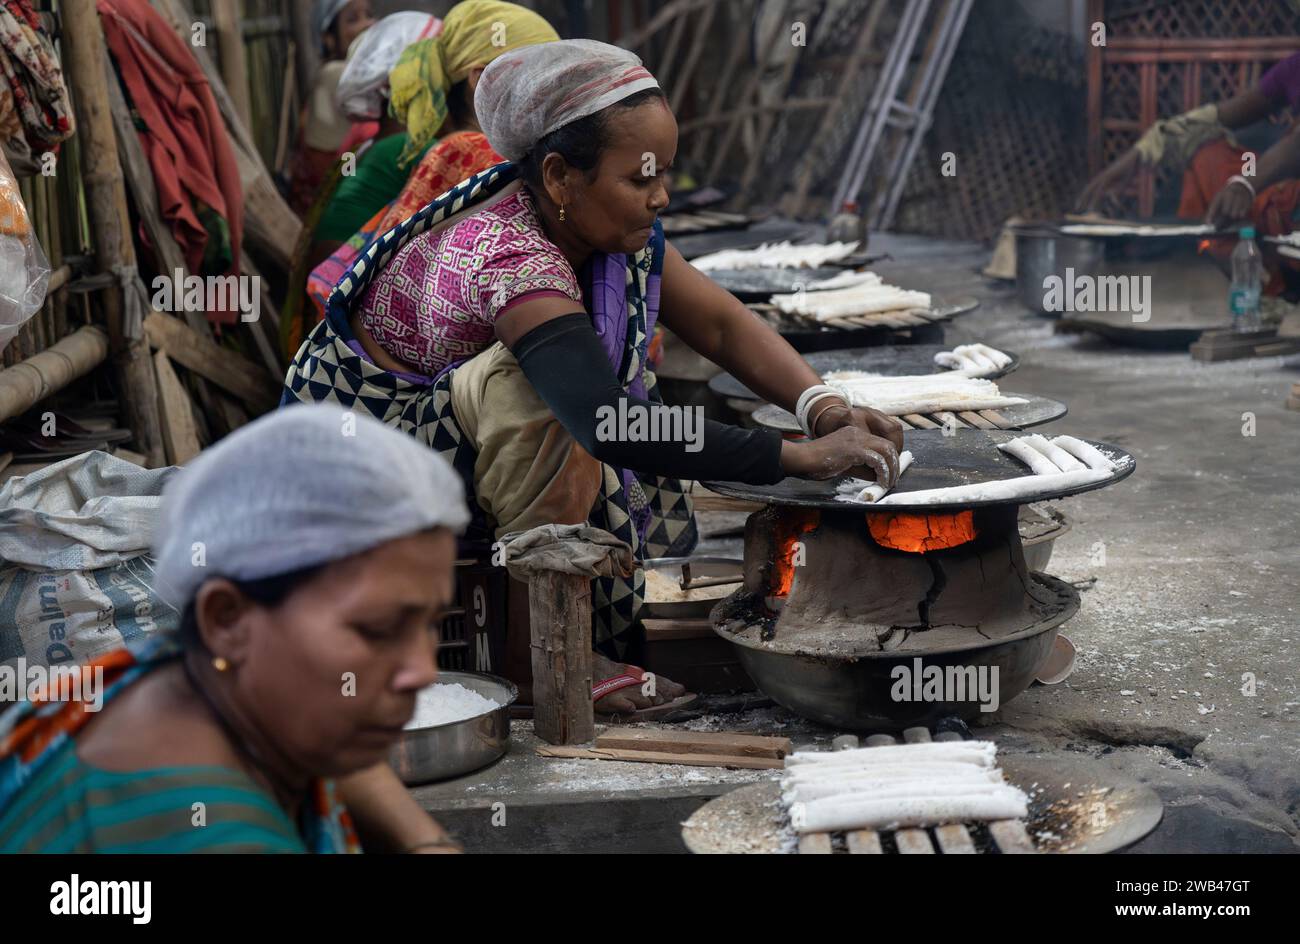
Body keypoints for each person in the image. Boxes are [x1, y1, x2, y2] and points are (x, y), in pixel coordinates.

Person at [283, 40, 902, 717]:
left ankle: (567, 627)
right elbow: (608, 423)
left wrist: (822, 408)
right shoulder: (510, 258)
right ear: (558, 176)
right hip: (365, 462)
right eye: (640, 179)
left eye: (665, 173)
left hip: (451, 446)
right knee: (539, 395)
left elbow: (721, 326)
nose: (661, 197)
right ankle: (538, 656)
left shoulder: (600, 234)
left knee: (570, 388)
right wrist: (794, 457)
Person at [0, 405, 468, 853]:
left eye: (431, 624)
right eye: (378, 628)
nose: (424, 671)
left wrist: (424, 841)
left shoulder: (167, 673)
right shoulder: (210, 834)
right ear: (226, 619)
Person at [289, 0, 558, 355]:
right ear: (480, 79)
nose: (554, 93)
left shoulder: (405, 147)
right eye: (542, 77)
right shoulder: (464, 154)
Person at [1079, 51, 1300, 294]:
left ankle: (1274, 285)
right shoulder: (1293, 68)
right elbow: (1214, 118)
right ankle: (1243, 283)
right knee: (1207, 153)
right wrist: (1143, 152)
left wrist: (1246, 185)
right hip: (1281, 209)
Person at [287, 0, 377, 216]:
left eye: (368, 14)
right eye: (353, 19)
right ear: (329, 38)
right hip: (335, 211)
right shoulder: (337, 74)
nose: (367, 24)